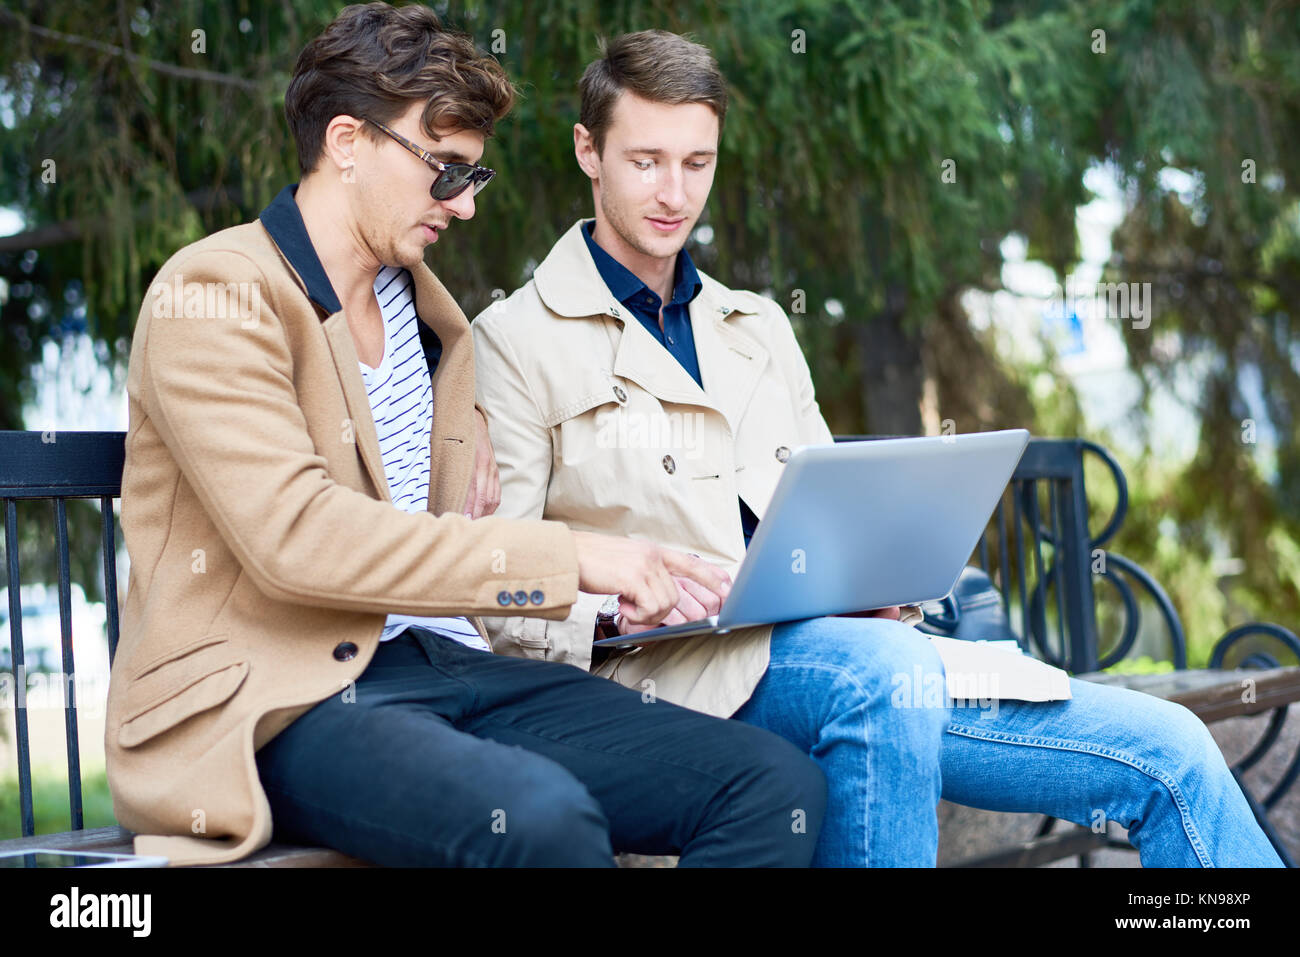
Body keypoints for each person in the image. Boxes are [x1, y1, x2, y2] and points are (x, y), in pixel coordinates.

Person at [471, 28, 1284, 867]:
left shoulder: (758, 328)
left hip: (857, 656)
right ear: (587, 151)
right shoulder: (513, 340)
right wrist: (608, 602)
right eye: (646, 161)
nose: (675, 192)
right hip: (672, 684)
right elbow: (489, 585)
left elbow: (834, 510)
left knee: (1174, 750)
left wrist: (876, 583)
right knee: (874, 672)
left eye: (698, 162)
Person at [105, 4, 826, 868]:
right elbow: (296, 538)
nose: (464, 206)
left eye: (472, 179)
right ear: (346, 141)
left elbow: (449, 525)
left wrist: (601, 590)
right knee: (538, 816)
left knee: (772, 786)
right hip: (281, 696)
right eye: (445, 170)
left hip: (451, 662)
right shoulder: (218, 293)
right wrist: (574, 560)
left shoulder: (433, 317)